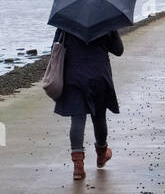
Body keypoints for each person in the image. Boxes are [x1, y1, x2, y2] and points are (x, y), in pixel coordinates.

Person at [52, 28, 124, 180]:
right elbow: (118, 50)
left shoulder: (67, 21)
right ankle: (102, 155)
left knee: (77, 119)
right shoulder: (105, 20)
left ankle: (78, 166)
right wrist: (112, 32)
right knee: (99, 117)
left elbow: (55, 47)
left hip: (74, 75)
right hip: (99, 76)